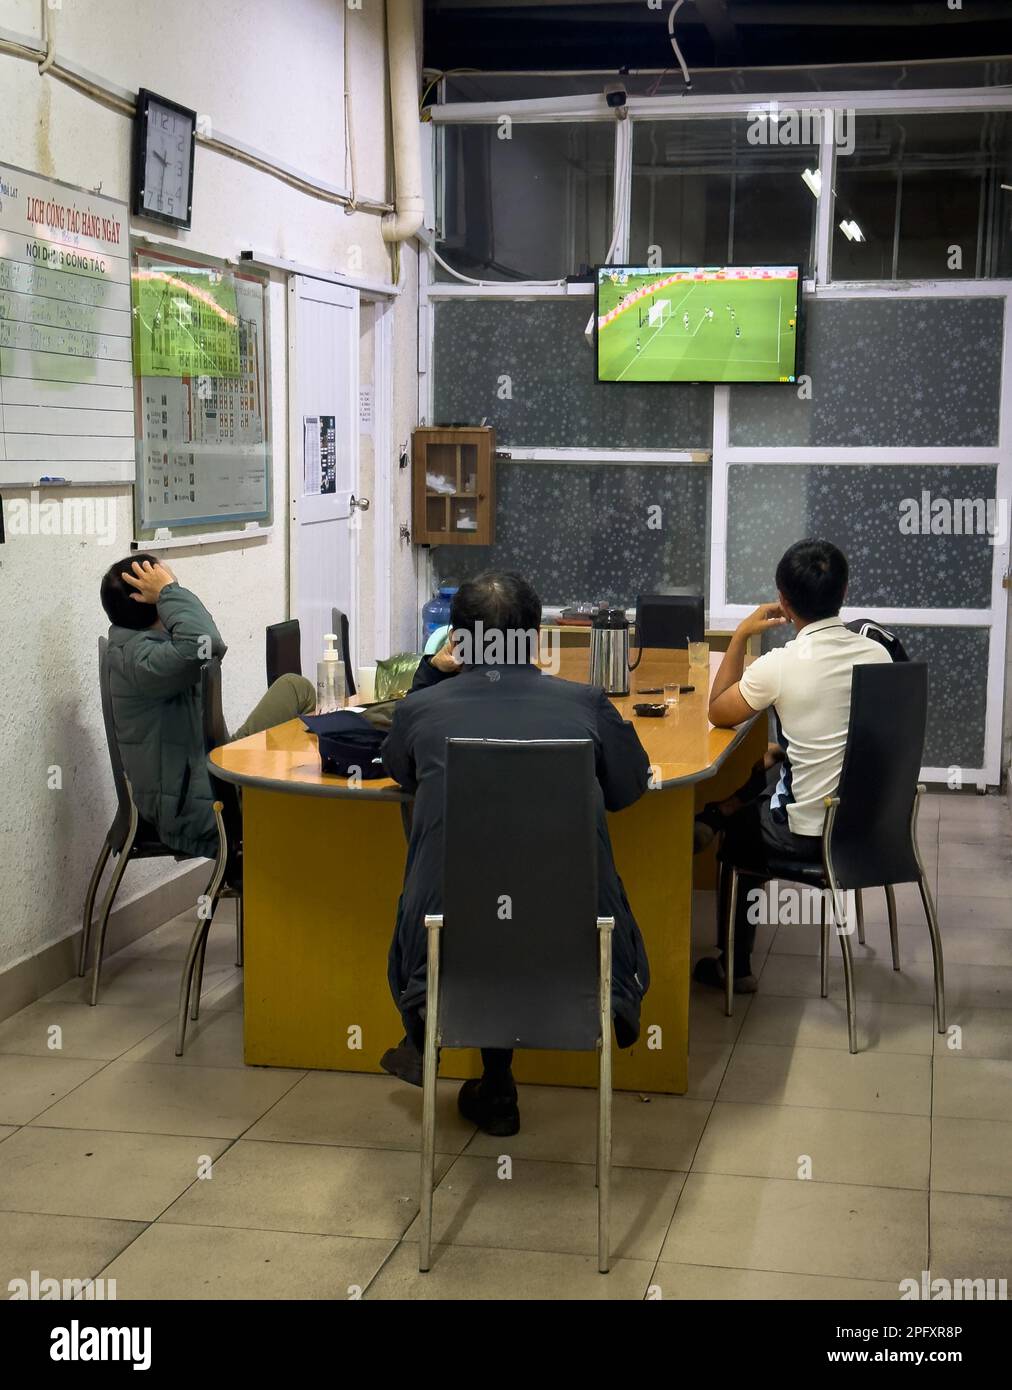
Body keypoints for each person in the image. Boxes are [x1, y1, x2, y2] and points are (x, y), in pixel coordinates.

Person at [380, 570, 651, 1136]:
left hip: (443, 957)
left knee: (479, 908)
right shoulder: (583, 705)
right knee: (519, 901)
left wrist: (433, 675)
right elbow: (628, 790)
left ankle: (476, 1070)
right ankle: (496, 1079)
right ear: (534, 637)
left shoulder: (422, 711)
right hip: (581, 954)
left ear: (457, 641)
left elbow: (401, 772)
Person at [694, 539, 891, 993]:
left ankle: (734, 968)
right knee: (773, 761)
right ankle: (719, 810)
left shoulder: (779, 664)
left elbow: (719, 712)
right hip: (871, 828)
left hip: (813, 836)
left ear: (783, 601)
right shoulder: (877, 655)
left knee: (742, 835)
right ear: (844, 593)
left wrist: (741, 634)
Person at [100, 555, 316, 859]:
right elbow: (208, 643)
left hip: (212, 770)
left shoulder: (146, 642)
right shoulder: (143, 661)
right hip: (199, 804)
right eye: (163, 579)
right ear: (148, 598)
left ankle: (303, 780)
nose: (172, 580)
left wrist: (167, 593)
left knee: (296, 688)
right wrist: (169, 591)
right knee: (313, 806)